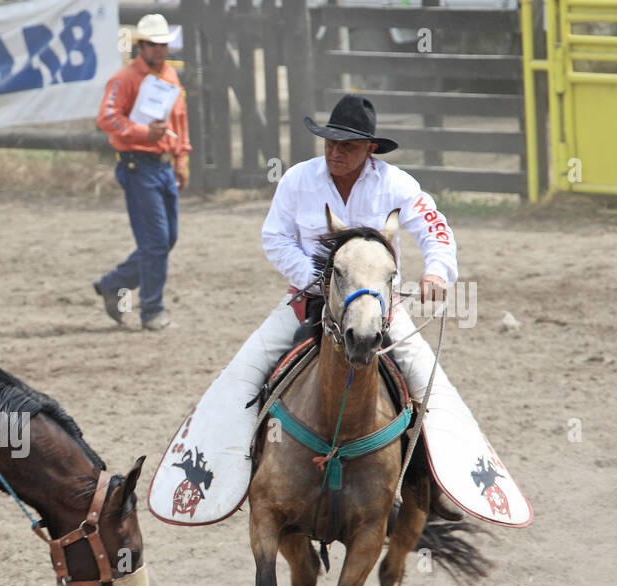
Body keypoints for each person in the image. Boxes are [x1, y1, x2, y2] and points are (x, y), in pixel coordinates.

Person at [152, 94, 529, 527]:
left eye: (347, 145)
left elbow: (435, 229)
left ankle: (434, 483)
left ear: (369, 149)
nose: (334, 152)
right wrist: (322, 282)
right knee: (242, 374)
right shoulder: (298, 180)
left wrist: (438, 273)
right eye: (330, 142)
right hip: (308, 303)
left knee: (432, 389)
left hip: (378, 309)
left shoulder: (397, 185)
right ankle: (230, 472)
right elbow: (275, 238)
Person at [93, 13, 191, 332]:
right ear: (141, 46)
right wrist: (139, 132)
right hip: (138, 166)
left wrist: (181, 158)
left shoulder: (170, 78)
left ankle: (113, 284)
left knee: (166, 239)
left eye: (164, 44)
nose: (161, 50)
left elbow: (179, 120)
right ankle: (151, 310)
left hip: (161, 166)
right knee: (156, 243)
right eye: (154, 44)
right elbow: (107, 117)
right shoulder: (125, 79)